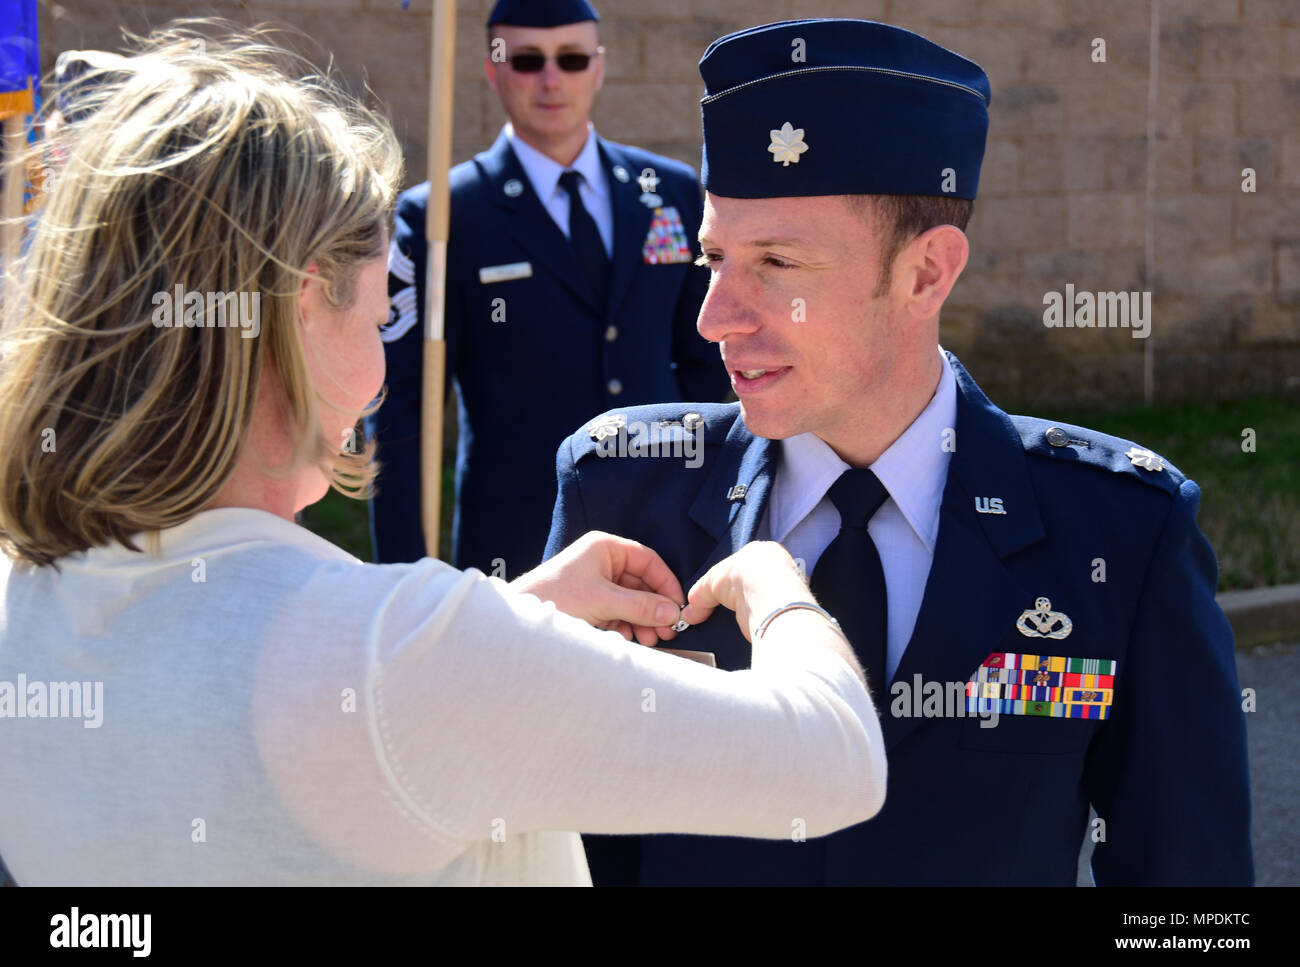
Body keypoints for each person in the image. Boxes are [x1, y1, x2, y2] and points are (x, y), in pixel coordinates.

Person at [0, 24, 887, 886]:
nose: (386, 349)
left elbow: (300, 684)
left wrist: (505, 618)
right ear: (304, 304)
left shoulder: (24, 602)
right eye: (379, 305)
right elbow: (834, 759)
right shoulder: (402, 653)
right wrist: (773, 583)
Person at [547, 18, 1254, 885]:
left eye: (776, 262)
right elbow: (566, 841)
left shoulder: (1118, 534)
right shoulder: (621, 495)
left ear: (927, 274)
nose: (712, 316)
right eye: (714, 256)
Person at [367, 0, 729, 578]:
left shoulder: (668, 192)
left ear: (600, 66)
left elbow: (710, 372)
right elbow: (401, 415)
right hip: (519, 543)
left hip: (664, 526)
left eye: (572, 58)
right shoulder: (444, 218)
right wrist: (405, 578)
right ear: (492, 69)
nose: (552, 78)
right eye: (527, 59)